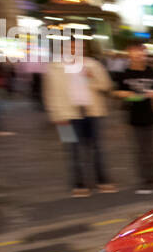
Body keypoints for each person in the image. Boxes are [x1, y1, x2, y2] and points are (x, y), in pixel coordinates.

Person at [43, 47, 116, 197]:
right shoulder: (54, 68)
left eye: (77, 47)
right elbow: (49, 94)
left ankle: (102, 181)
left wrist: (91, 78)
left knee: (97, 148)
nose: (73, 51)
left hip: (92, 113)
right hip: (65, 115)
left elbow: (106, 85)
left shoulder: (92, 64)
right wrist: (55, 116)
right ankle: (78, 183)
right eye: (69, 48)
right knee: (71, 150)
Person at [114, 40, 153, 193]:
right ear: (129, 54)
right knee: (140, 150)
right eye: (135, 52)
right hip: (134, 116)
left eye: (141, 52)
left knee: (152, 150)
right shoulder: (124, 73)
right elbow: (116, 92)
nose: (138, 55)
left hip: (150, 114)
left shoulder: (151, 71)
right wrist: (125, 94)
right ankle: (145, 182)